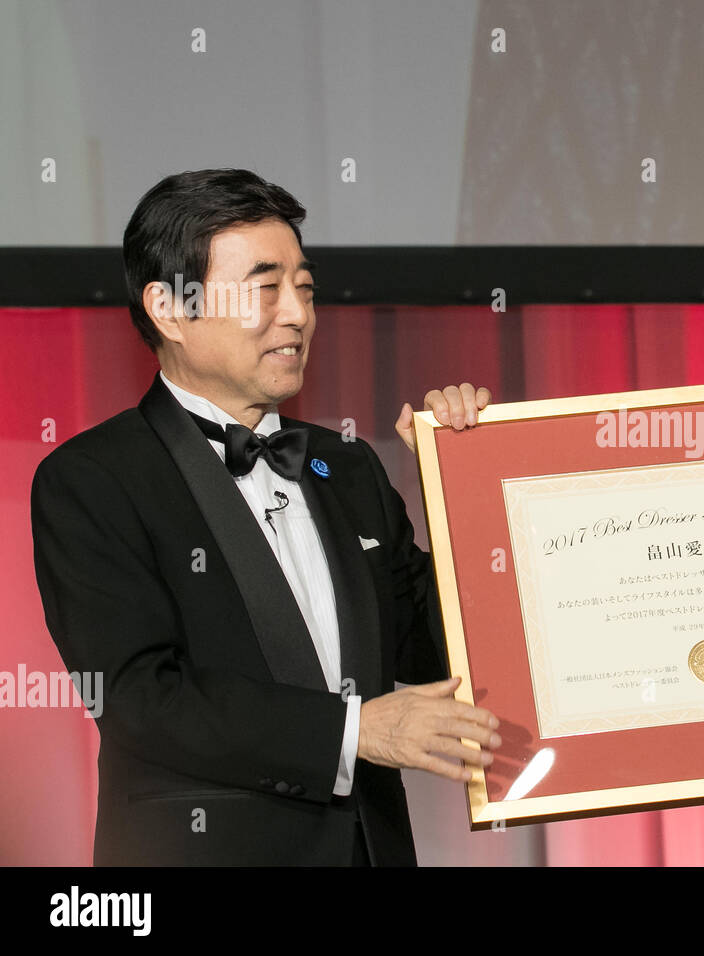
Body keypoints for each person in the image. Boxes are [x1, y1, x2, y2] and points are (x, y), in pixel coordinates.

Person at [31, 169, 501, 866]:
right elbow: (140, 697)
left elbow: (441, 647)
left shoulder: (345, 465)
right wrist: (352, 733)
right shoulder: (93, 479)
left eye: (305, 288)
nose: (298, 315)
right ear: (169, 308)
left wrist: (463, 483)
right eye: (265, 288)